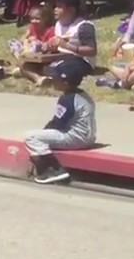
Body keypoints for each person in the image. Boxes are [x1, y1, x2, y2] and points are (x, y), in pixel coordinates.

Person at [25, 57, 97, 185]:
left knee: (32, 138)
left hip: (76, 138)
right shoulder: (82, 95)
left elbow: (57, 124)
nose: (52, 80)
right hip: (88, 136)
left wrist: (43, 133)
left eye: (55, 78)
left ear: (65, 82)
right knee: (41, 138)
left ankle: (52, 170)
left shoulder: (67, 99)